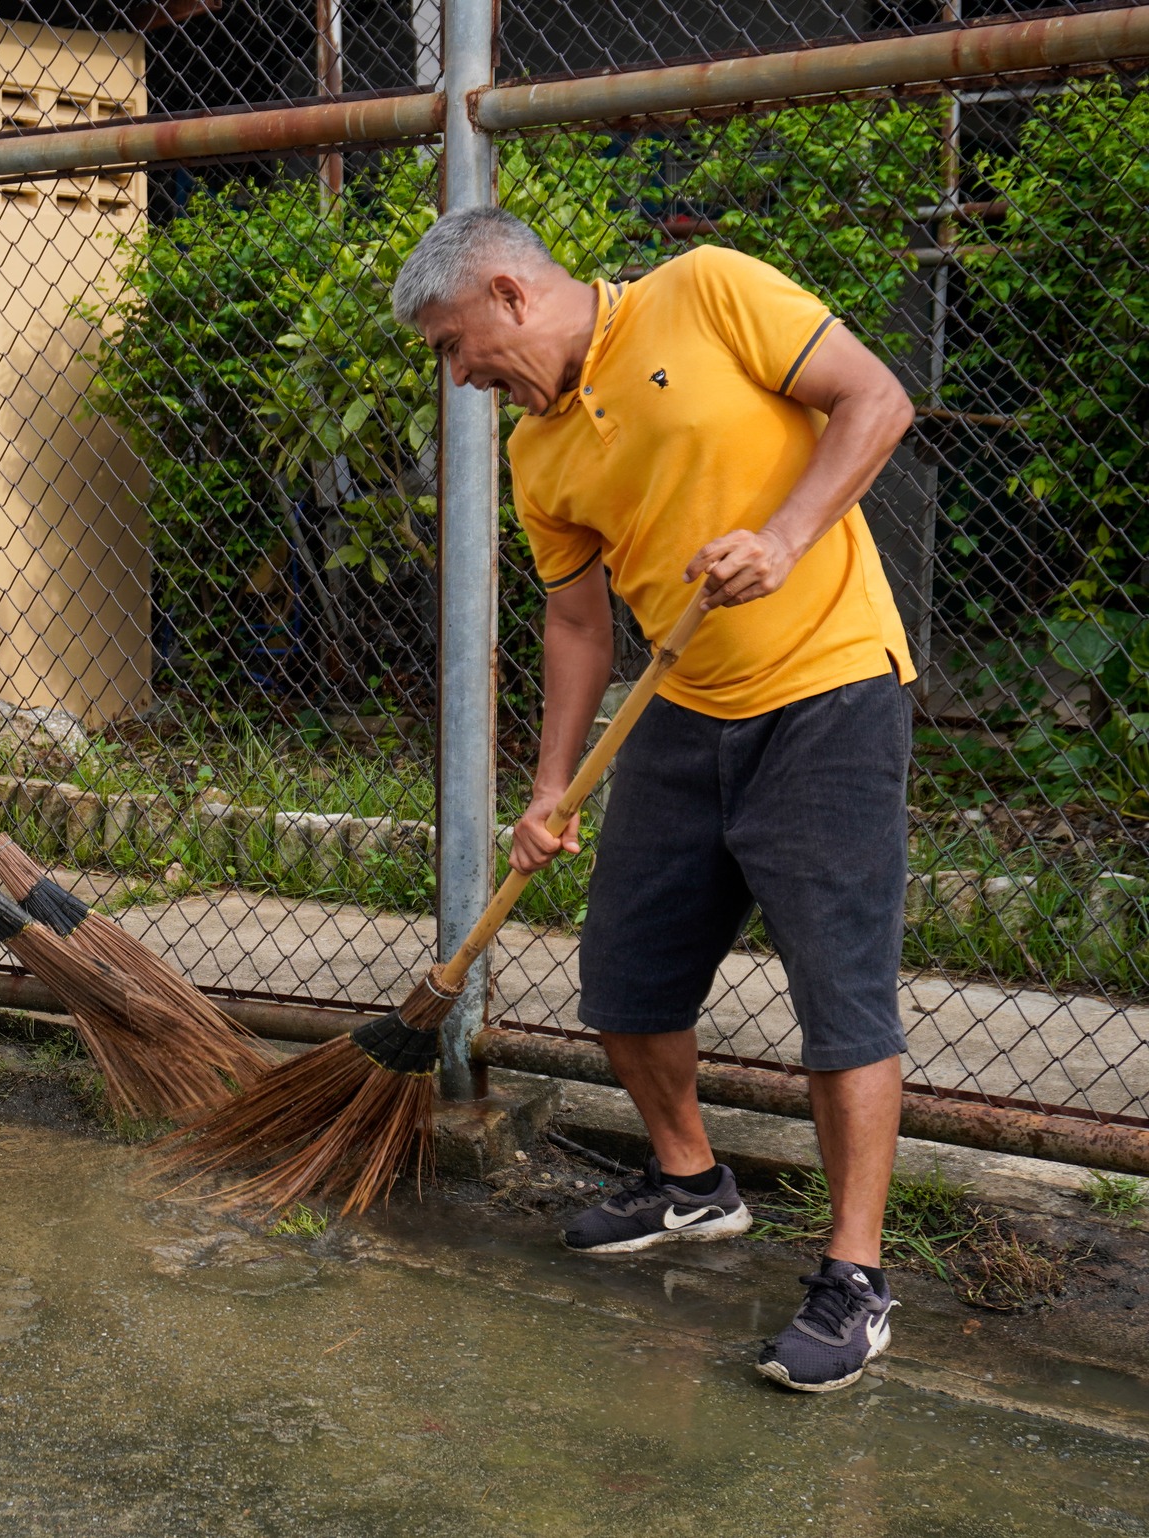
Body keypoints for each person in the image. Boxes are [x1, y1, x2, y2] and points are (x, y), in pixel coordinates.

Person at [392, 209, 918, 1393]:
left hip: (828, 687)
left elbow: (874, 399)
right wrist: (548, 786)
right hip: (680, 706)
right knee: (624, 980)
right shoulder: (536, 452)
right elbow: (577, 623)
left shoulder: (706, 290)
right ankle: (690, 1183)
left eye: (453, 344)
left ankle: (853, 1275)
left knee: (840, 999)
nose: (458, 375)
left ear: (507, 293)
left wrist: (783, 537)